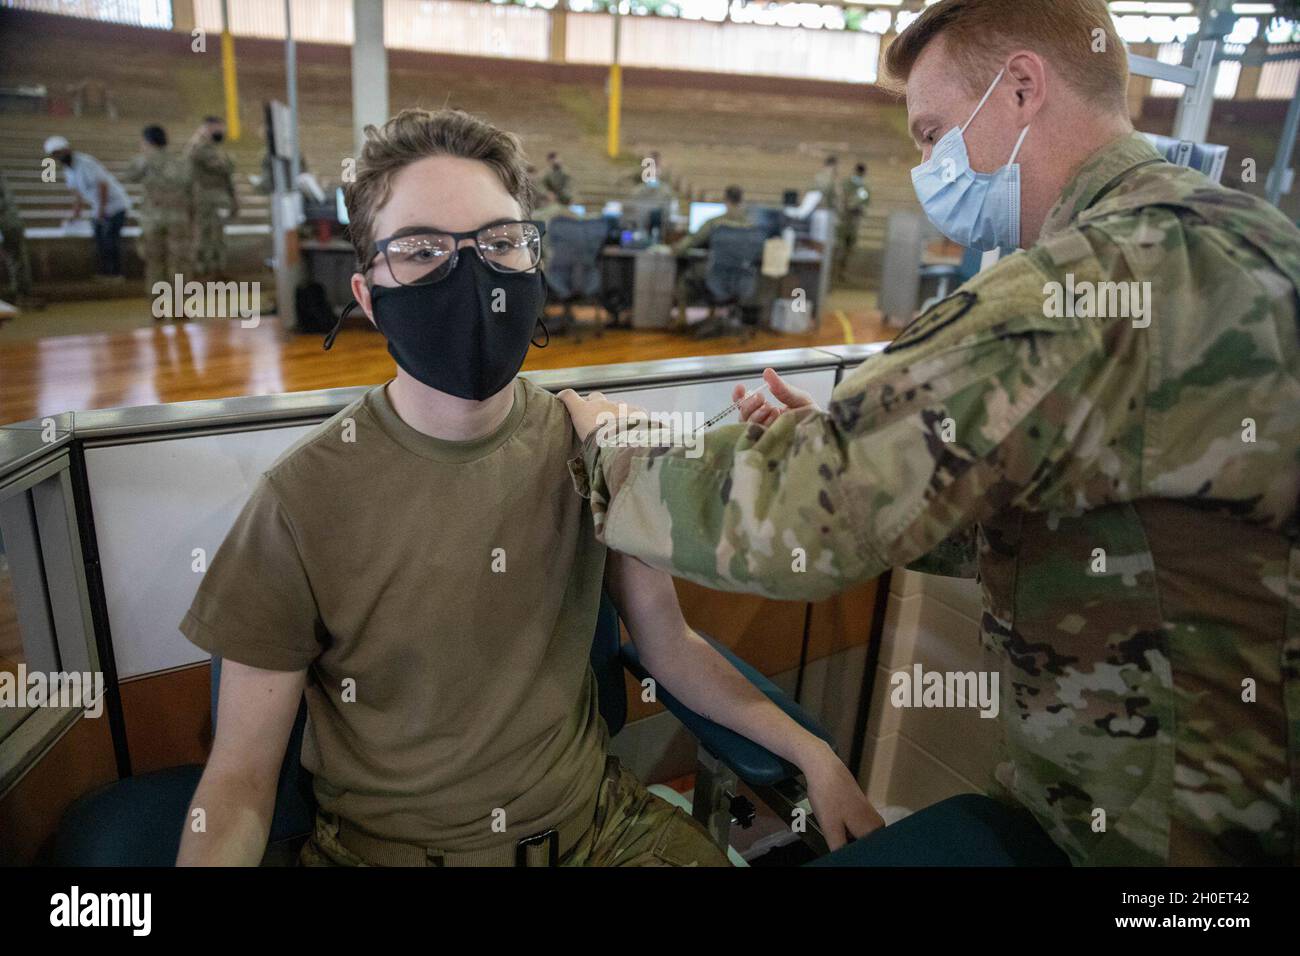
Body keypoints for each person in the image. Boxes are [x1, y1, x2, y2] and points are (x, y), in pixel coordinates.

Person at [560, 0, 1300, 866]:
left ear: (1022, 87)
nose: (927, 164)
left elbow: (802, 521)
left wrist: (613, 444)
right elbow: (1105, 509)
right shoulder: (1260, 243)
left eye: (933, 132)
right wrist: (887, 452)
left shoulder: (1069, 293)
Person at [175, 108, 880, 868]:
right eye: (420, 250)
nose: (472, 276)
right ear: (369, 294)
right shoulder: (301, 501)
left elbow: (670, 648)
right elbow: (241, 783)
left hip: (599, 835)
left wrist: (815, 755)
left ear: (532, 265)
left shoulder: (593, 450)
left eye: (500, 243)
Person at [122, 125, 196, 301]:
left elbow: (130, 176)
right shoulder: (181, 162)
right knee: (180, 264)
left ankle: (158, 305)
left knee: (155, 263)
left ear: (147, 142)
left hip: (152, 220)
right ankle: (180, 306)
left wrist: (145, 155)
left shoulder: (143, 161)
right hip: (178, 219)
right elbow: (191, 191)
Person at [43, 135, 130, 282]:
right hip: (100, 207)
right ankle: (106, 273)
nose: (58, 156)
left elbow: (103, 185)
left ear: (67, 149)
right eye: (55, 154)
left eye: (59, 152)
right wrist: (75, 214)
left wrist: (102, 209)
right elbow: (77, 194)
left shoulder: (85, 162)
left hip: (114, 206)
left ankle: (115, 273)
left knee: (110, 240)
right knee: (99, 239)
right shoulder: (69, 169)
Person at [671, 184, 752, 335]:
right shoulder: (751, 226)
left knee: (684, 276)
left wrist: (675, 248)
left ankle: (681, 319)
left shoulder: (715, 222)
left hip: (716, 278)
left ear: (725, 200)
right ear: (742, 201)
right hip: (743, 280)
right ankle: (712, 315)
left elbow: (689, 242)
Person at [186, 115, 239, 278]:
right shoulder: (200, 147)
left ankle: (217, 270)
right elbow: (225, 166)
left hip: (216, 198)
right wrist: (230, 160)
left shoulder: (213, 147)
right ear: (209, 128)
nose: (222, 132)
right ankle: (203, 271)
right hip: (206, 199)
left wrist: (233, 199)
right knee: (205, 236)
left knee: (217, 236)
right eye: (219, 128)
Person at [0, 171, 41, 309]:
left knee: (17, 260)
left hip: (8, 222)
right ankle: (22, 296)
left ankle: (21, 296)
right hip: (8, 221)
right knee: (17, 260)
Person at [835, 161, 870, 282]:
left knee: (848, 246)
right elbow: (841, 199)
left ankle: (842, 271)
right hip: (845, 219)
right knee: (840, 245)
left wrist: (856, 206)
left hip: (853, 221)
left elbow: (864, 203)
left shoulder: (863, 187)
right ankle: (836, 271)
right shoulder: (848, 184)